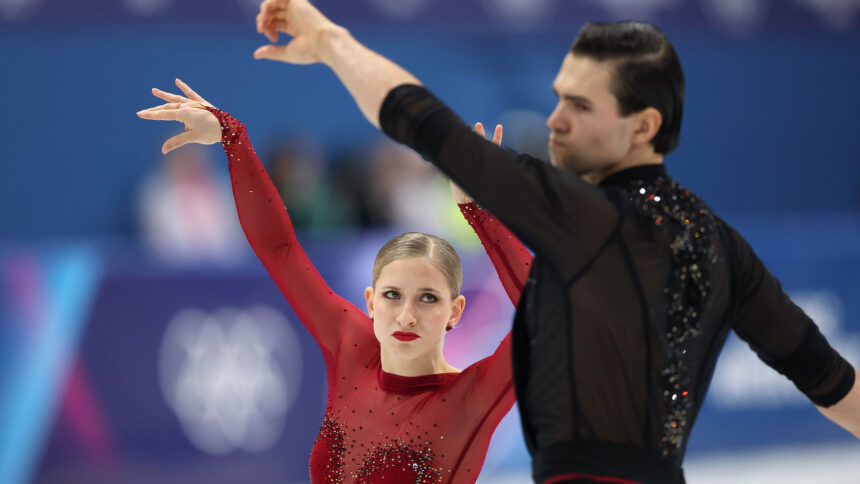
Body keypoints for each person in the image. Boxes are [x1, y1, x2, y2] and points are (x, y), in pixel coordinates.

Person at [249, 1, 860, 483]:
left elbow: (419, 119)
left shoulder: (582, 216)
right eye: (559, 96)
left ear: (642, 126)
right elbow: (832, 384)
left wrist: (330, 40)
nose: (554, 119)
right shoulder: (724, 249)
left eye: (579, 104)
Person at [136, 80, 530, 483]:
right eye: (393, 295)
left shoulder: (472, 397)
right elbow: (279, 250)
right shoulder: (352, 346)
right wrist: (232, 137)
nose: (406, 315)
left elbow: (549, 310)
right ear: (371, 302)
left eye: (428, 298)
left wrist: (477, 211)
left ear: (455, 311)